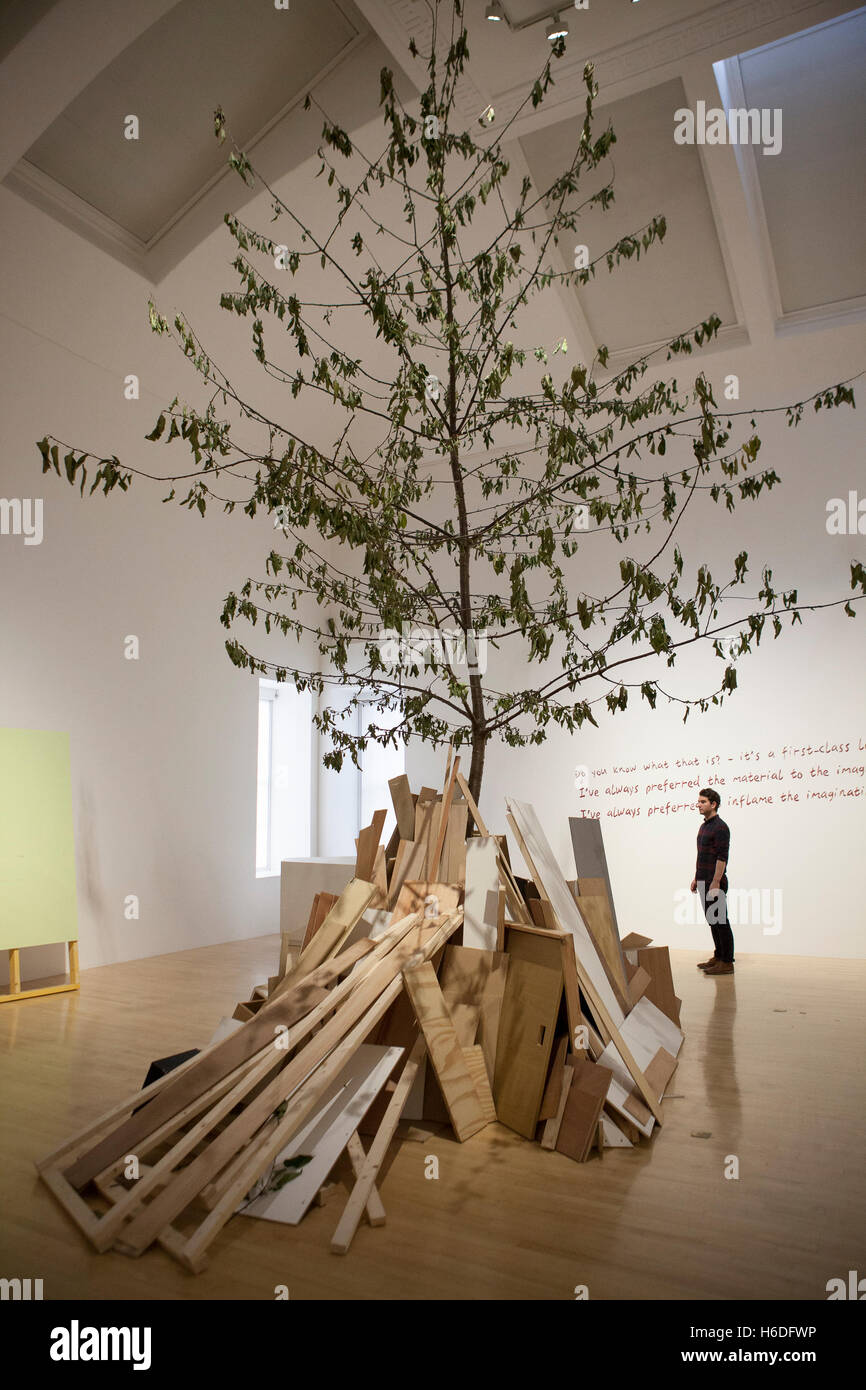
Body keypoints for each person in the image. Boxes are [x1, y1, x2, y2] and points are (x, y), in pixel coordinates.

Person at [690, 788, 734, 975]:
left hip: (714, 882)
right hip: (703, 879)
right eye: (698, 802)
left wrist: (716, 881)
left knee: (721, 921)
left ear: (713, 804)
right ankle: (719, 955)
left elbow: (722, 857)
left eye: (702, 802)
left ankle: (727, 961)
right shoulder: (704, 826)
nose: (698, 805)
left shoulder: (720, 827)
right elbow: (702, 854)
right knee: (712, 920)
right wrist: (695, 877)